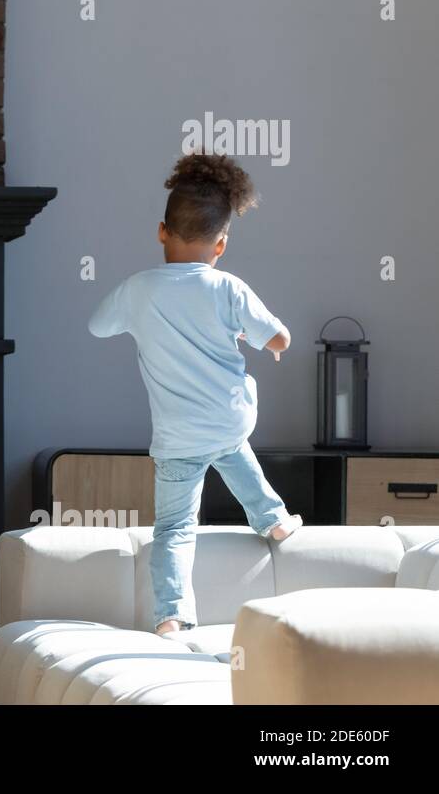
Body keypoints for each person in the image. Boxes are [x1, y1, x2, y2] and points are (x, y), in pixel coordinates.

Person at [88, 152, 302, 636]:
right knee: (232, 447)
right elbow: (280, 338)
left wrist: (139, 317)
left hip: (177, 436)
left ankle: (171, 615)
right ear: (221, 245)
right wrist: (257, 340)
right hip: (228, 420)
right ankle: (273, 519)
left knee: (175, 530)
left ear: (161, 231)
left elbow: (98, 326)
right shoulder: (229, 288)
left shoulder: (138, 289)